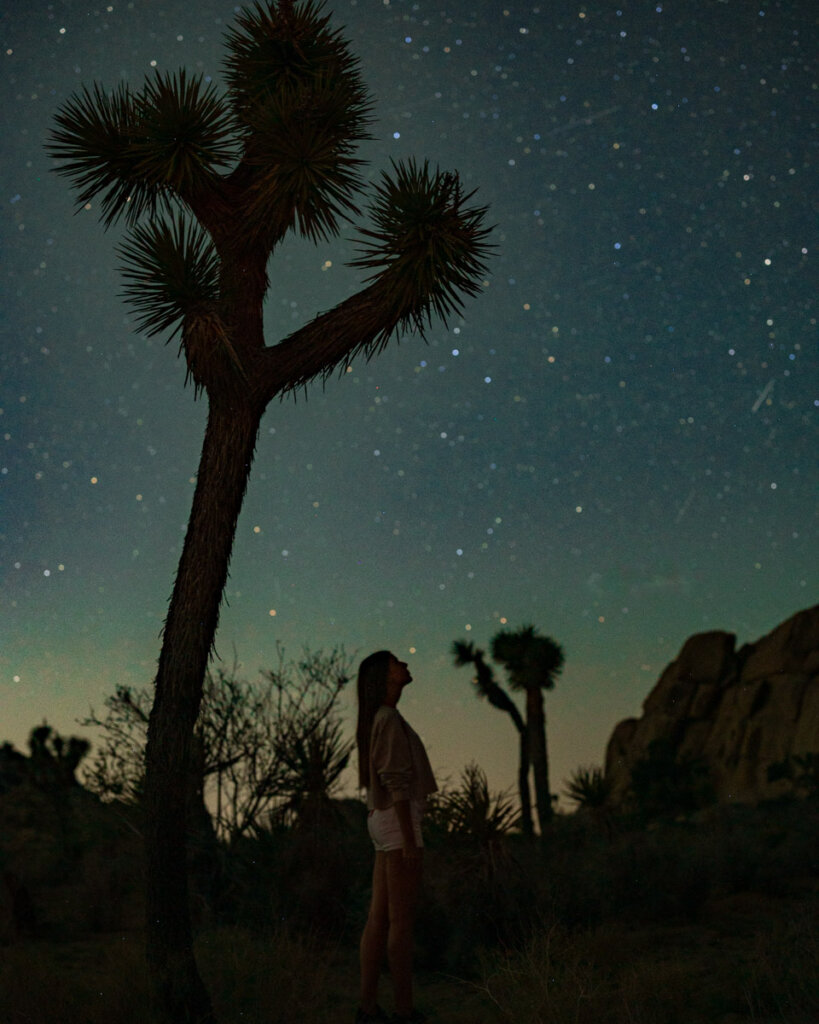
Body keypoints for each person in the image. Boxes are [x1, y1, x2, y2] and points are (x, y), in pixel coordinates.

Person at [355, 651, 438, 1024]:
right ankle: (404, 1012)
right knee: (400, 923)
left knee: (380, 918)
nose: (404, 664)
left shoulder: (381, 717)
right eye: (396, 663)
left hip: (383, 819)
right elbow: (396, 779)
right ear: (385, 677)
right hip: (396, 820)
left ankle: (368, 1009)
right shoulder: (387, 718)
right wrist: (409, 838)